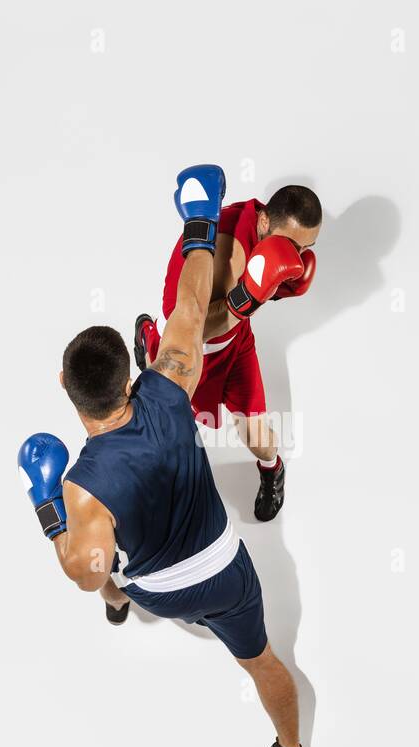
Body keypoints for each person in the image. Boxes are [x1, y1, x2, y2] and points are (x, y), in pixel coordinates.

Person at [18, 165, 312, 747]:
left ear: (65, 390)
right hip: (230, 571)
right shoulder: (171, 382)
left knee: (113, 577)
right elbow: (188, 303)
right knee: (262, 660)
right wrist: (200, 225)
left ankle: (122, 608)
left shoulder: (81, 488)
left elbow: (83, 570)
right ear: (131, 376)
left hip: (162, 589)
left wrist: (47, 509)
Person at [134, 184, 322, 521]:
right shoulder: (226, 251)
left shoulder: (266, 234)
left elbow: (265, 280)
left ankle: (272, 470)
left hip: (235, 341)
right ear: (264, 220)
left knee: (257, 435)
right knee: (167, 439)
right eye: (292, 246)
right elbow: (195, 329)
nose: (297, 258)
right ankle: (151, 339)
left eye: (306, 248)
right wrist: (249, 296)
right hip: (192, 345)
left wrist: (265, 291)